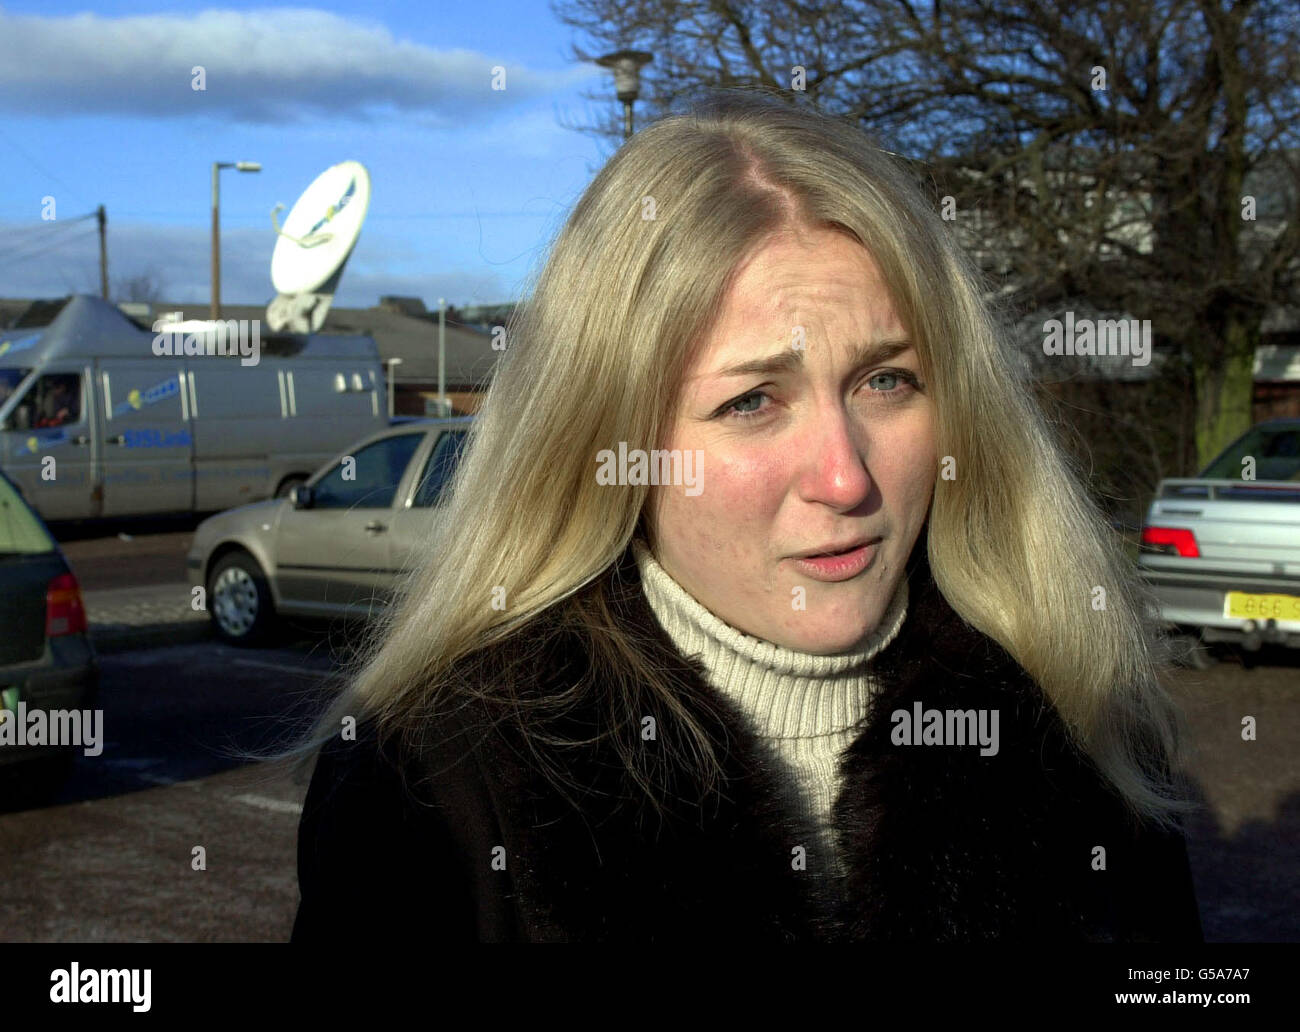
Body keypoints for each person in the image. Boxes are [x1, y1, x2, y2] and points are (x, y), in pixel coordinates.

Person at [281, 89, 1203, 943]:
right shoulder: (433, 780)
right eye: (754, 401)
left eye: (887, 381)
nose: (844, 479)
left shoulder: (1084, 716)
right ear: (606, 441)